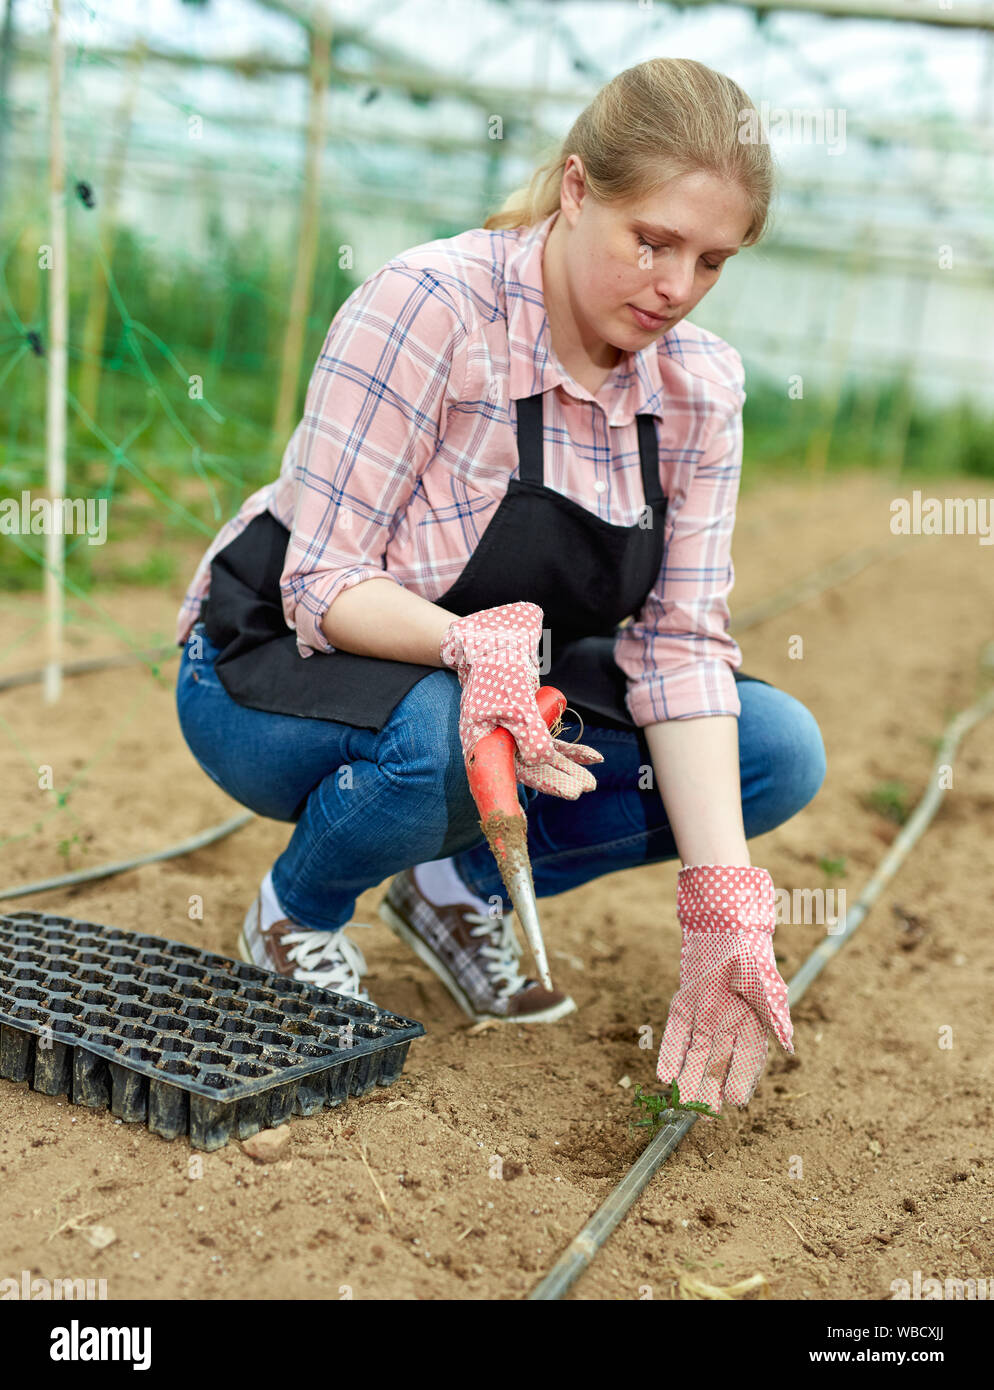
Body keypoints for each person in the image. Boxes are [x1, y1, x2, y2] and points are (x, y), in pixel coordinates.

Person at [174, 57, 826, 1114]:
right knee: (440, 733)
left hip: (501, 686)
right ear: (576, 190)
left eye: (711, 260)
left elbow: (677, 651)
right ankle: (297, 912)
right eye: (651, 241)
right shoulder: (433, 305)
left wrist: (724, 901)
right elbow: (324, 577)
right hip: (277, 658)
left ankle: (452, 889)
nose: (675, 286)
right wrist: (464, 647)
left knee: (773, 749)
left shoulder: (698, 391)